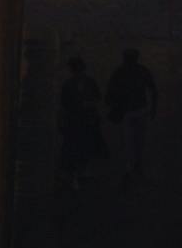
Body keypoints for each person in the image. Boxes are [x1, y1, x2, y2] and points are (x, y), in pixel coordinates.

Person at [105, 43, 157, 179]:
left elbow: (110, 90)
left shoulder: (120, 71)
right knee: (139, 140)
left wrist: (111, 105)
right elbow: (153, 89)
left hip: (128, 109)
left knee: (129, 141)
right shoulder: (142, 70)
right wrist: (153, 108)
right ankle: (136, 165)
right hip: (140, 109)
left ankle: (130, 167)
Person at [57, 50, 106, 194]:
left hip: (83, 120)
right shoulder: (73, 84)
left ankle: (78, 173)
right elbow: (65, 105)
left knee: (81, 146)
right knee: (76, 147)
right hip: (77, 120)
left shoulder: (77, 83)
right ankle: (75, 174)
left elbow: (96, 99)